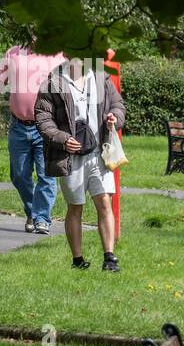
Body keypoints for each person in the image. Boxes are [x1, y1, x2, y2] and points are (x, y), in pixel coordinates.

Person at [34, 56, 125, 272]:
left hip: (99, 152)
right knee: (75, 206)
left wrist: (114, 119)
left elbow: (118, 105)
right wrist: (62, 139)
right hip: (71, 156)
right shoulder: (53, 81)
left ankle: (109, 257)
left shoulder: (101, 76)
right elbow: (43, 118)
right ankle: (78, 259)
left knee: (104, 201)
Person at [0, 35, 65, 234]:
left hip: (46, 127)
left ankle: (42, 218)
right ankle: (33, 212)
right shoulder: (14, 53)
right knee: (18, 175)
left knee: (46, 174)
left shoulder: (57, 56)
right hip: (18, 126)